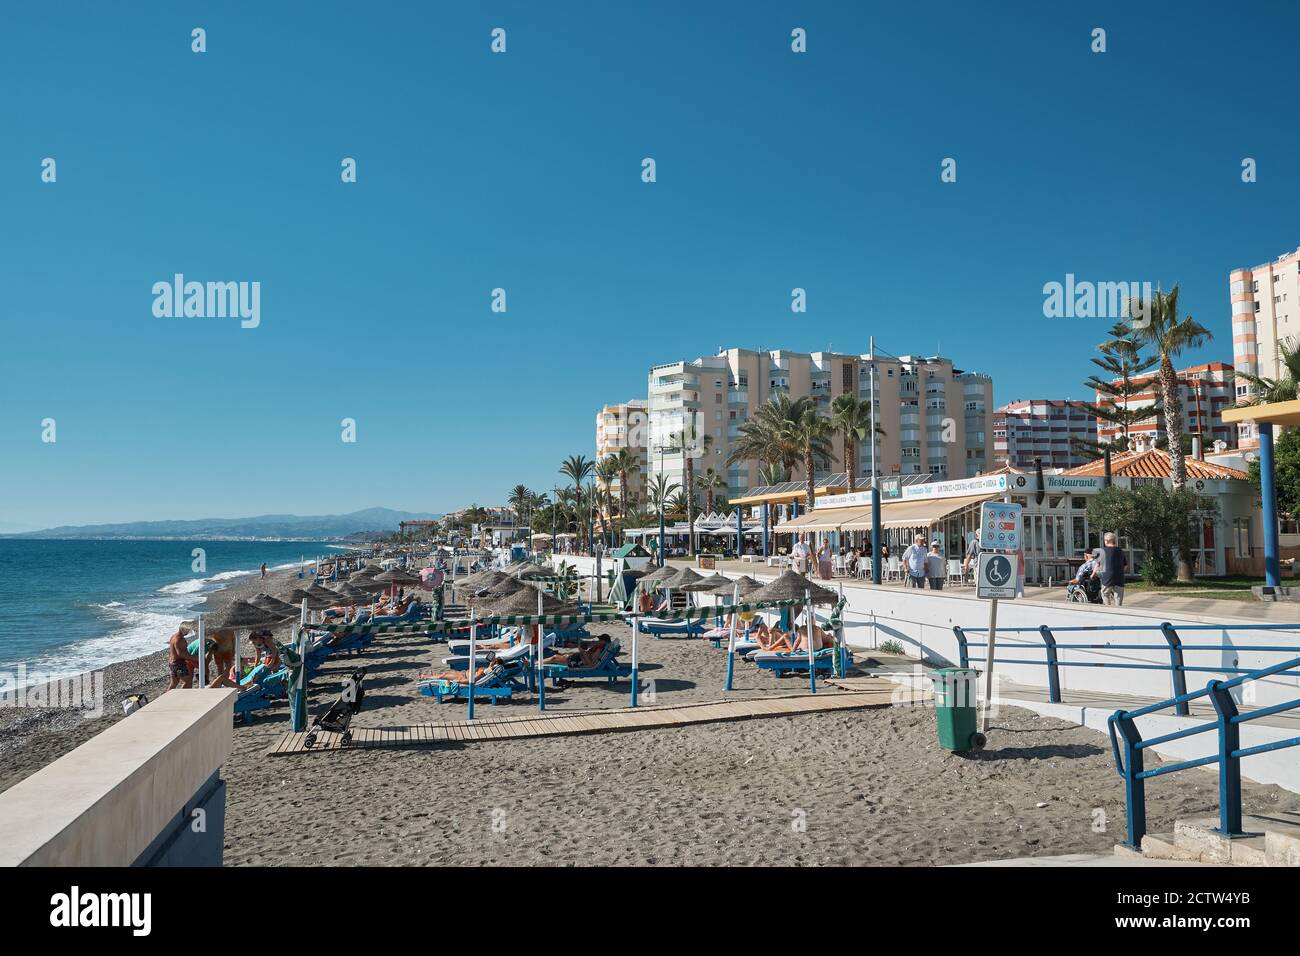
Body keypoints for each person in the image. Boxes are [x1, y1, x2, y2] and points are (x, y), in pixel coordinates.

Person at [1094, 532, 1128, 606]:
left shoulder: (1102, 551)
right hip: (1119, 578)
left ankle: (1108, 608)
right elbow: (1125, 566)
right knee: (1118, 597)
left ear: (1106, 541)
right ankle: (1118, 611)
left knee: (1105, 594)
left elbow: (1097, 564)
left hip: (1107, 578)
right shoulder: (1121, 551)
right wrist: (1119, 572)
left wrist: (1093, 573)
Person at [166, 625, 197, 690]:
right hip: (178, 665)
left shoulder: (174, 636)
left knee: (174, 683)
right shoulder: (180, 639)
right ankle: (183, 697)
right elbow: (180, 654)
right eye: (188, 630)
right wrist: (193, 658)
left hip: (172, 663)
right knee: (188, 681)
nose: (188, 632)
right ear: (184, 629)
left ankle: (166, 698)